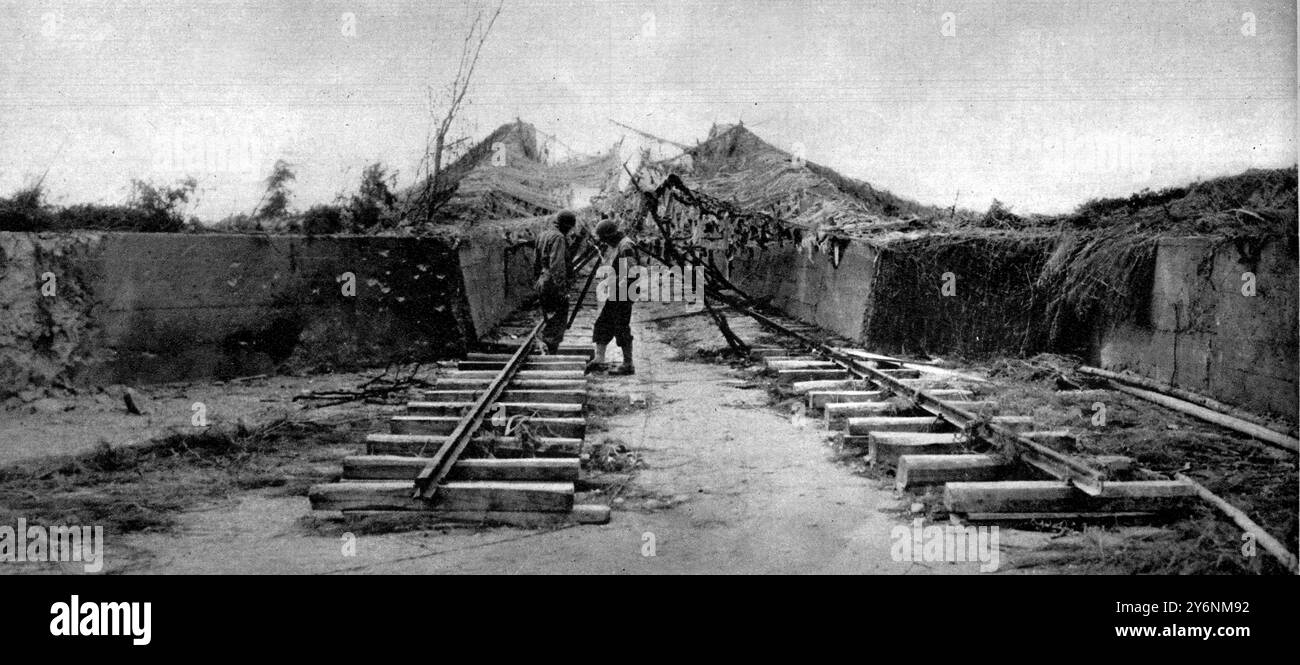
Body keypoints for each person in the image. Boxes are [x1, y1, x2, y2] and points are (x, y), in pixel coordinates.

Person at [588, 218, 639, 375]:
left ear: (610, 235)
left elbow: (632, 271)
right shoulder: (617, 245)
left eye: (605, 238)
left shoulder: (626, 245)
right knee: (603, 323)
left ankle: (628, 364)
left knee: (621, 326)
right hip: (617, 291)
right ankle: (599, 359)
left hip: (624, 292)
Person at [533, 209, 576, 354]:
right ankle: (548, 348)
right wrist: (562, 289)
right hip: (552, 282)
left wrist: (537, 281)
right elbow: (557, 265)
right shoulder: (558, 238)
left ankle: (547, 345)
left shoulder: (543, 235)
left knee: (550, 316)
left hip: (542, 280)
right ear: (566, 225)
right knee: (558, 318)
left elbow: (536, 262)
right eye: (570, 227)